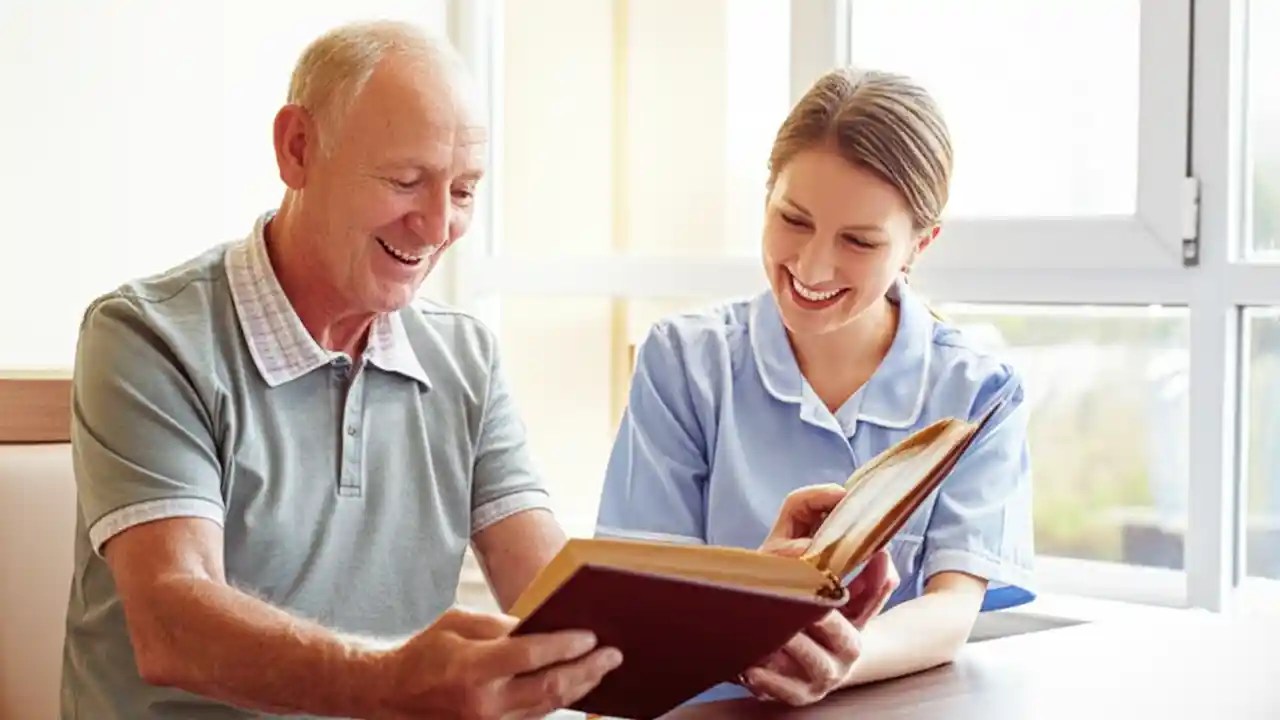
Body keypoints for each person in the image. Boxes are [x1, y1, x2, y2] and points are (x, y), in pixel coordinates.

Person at [59, 21, 892, 720]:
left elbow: (559, 598)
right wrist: (385, 684)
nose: (436, 224)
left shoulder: (462, 355)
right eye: (405, 180)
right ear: (298, 147)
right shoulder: (146, 336)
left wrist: (748, 612)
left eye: (463, 189)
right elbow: (171, 621)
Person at [596, 67, 1035, 708]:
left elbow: (951, 608)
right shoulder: (685, 362)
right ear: (766, 195)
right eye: (793, 220)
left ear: (920, 244)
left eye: (858, 240)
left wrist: (835, 662)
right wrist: (753, 607)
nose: (812, 265)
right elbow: (641, 603)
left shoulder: (979, 391)